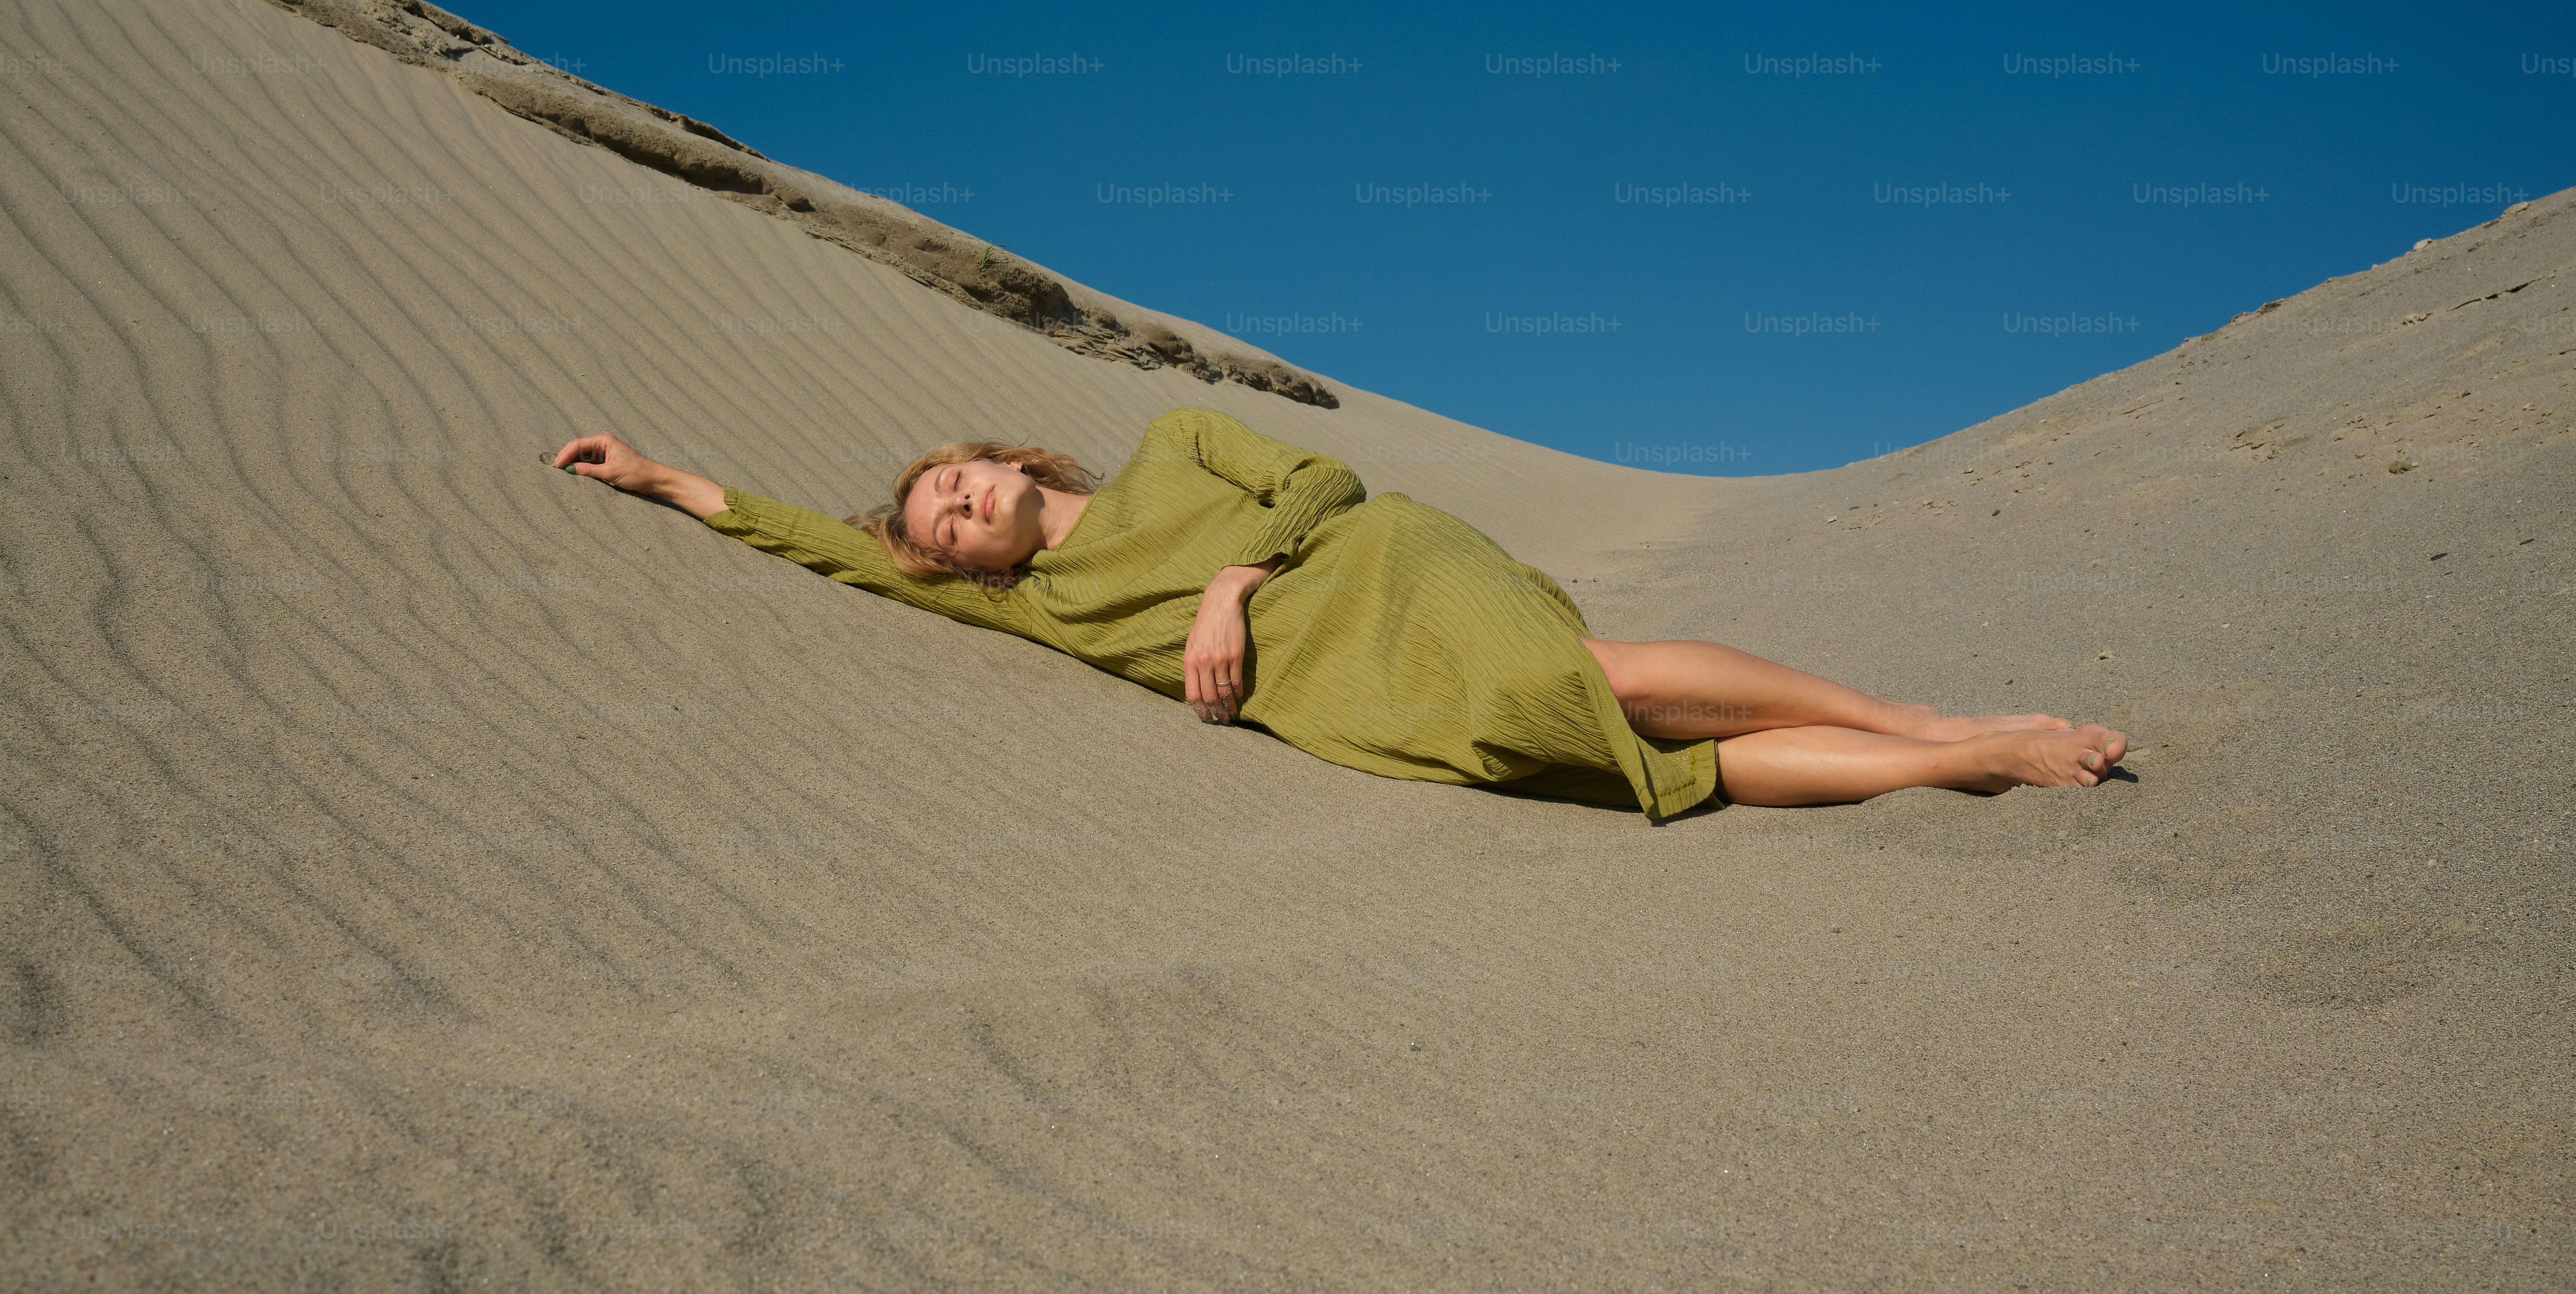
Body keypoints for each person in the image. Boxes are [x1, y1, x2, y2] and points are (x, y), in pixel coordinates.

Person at [552, 406, 2126, 817]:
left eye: (955, 484)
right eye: (941, 532)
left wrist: (1233, 581)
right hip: (1354, 696)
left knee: (1585, 674)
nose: (957, 512)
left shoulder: (1178, 448)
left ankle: (1919, 717)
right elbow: (810, 549)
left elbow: (1328, 484)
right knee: (1653, 768)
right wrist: (672, 480)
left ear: (1000, 459)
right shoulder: (1038, 608)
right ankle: (1962, 763)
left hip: (1387, 570)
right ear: (962, 568)